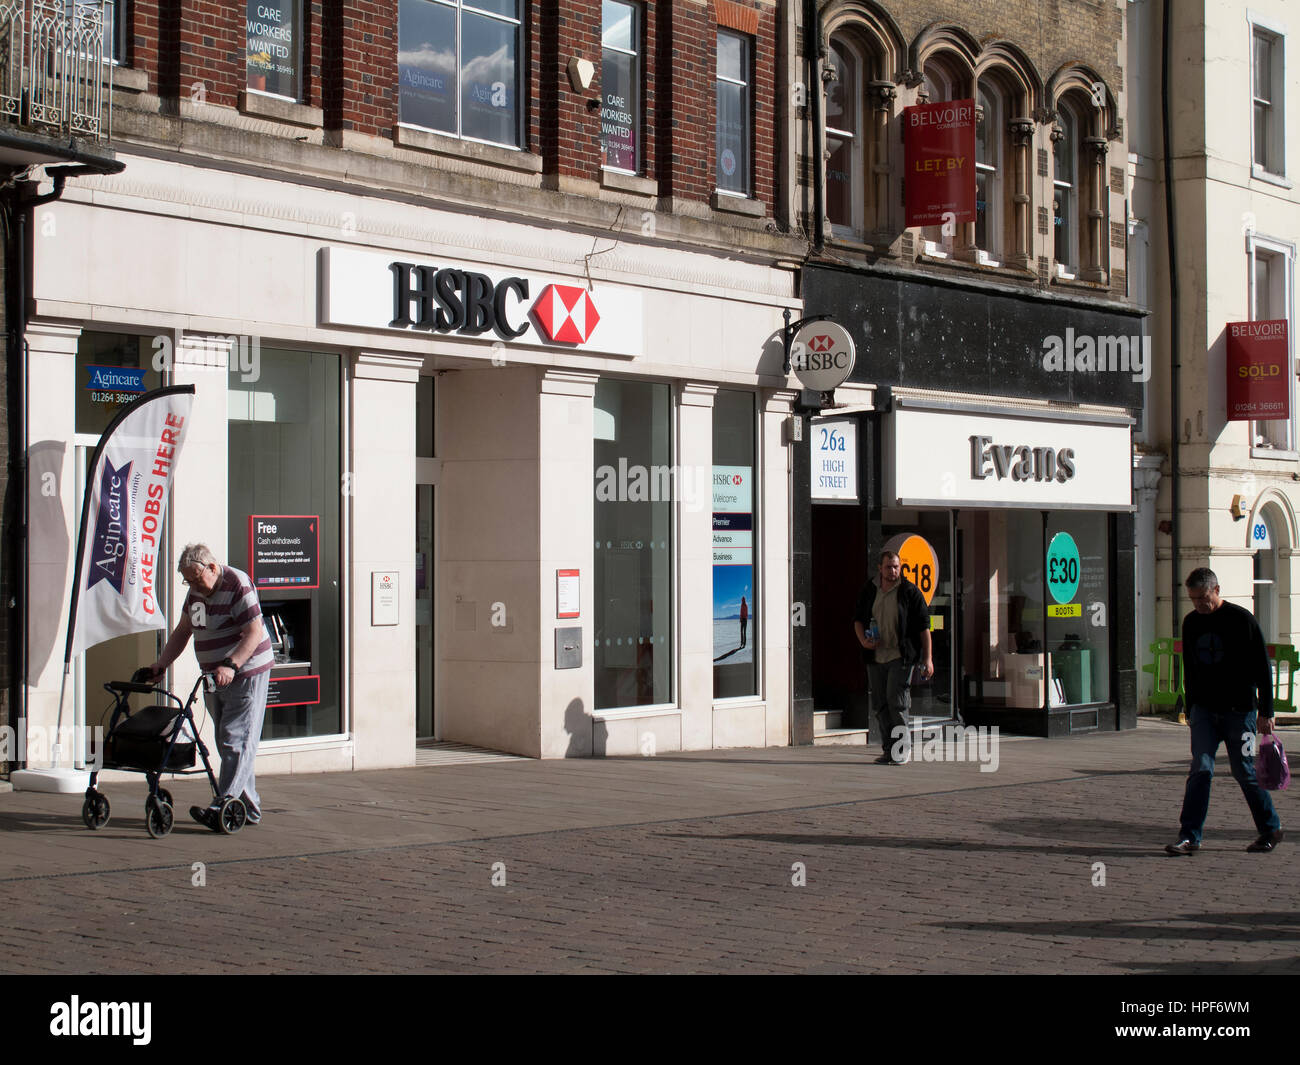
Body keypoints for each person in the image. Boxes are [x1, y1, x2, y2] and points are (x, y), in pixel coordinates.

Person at [146, 544, 274, 830]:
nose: (191, 585)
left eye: (194, 578)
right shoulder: (197, 592)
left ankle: (222, 804)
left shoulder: (237, 583)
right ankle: (247, 809)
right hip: (214, 676)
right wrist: (161, 664)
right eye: (187, 581)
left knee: (235, 739)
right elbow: (183, 631)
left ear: (212, 568)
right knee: (228, 742)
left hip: (246, 672)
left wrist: (232, 664)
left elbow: (253, 632)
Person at [1165, 567, 1283, 855]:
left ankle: (1270, 829)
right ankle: (1189, 836)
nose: (1199, 606)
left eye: (1203, 598)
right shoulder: (1191, 622)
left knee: (1244, 771)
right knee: (1200, 768)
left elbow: (1261, 667)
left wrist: (1266, 711)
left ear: (1216, 591)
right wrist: (1190, 706)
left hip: (1239, 711)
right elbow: (1190, 668)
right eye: (1193, 599)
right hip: (1204, 711)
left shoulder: (1241, 620)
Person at [853, 550, 934, 765]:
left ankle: (901, 750)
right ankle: (888, 749)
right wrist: (863, 641)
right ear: (880, 568)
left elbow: (924, 628)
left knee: (896, 702)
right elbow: (858, 620)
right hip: (876, 656)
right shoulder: (870, 590)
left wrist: (928, 659)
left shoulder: (909, 592)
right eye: (889, 567)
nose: (893, 571)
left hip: (901, 656)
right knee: (880, 704)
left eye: (896, 567)